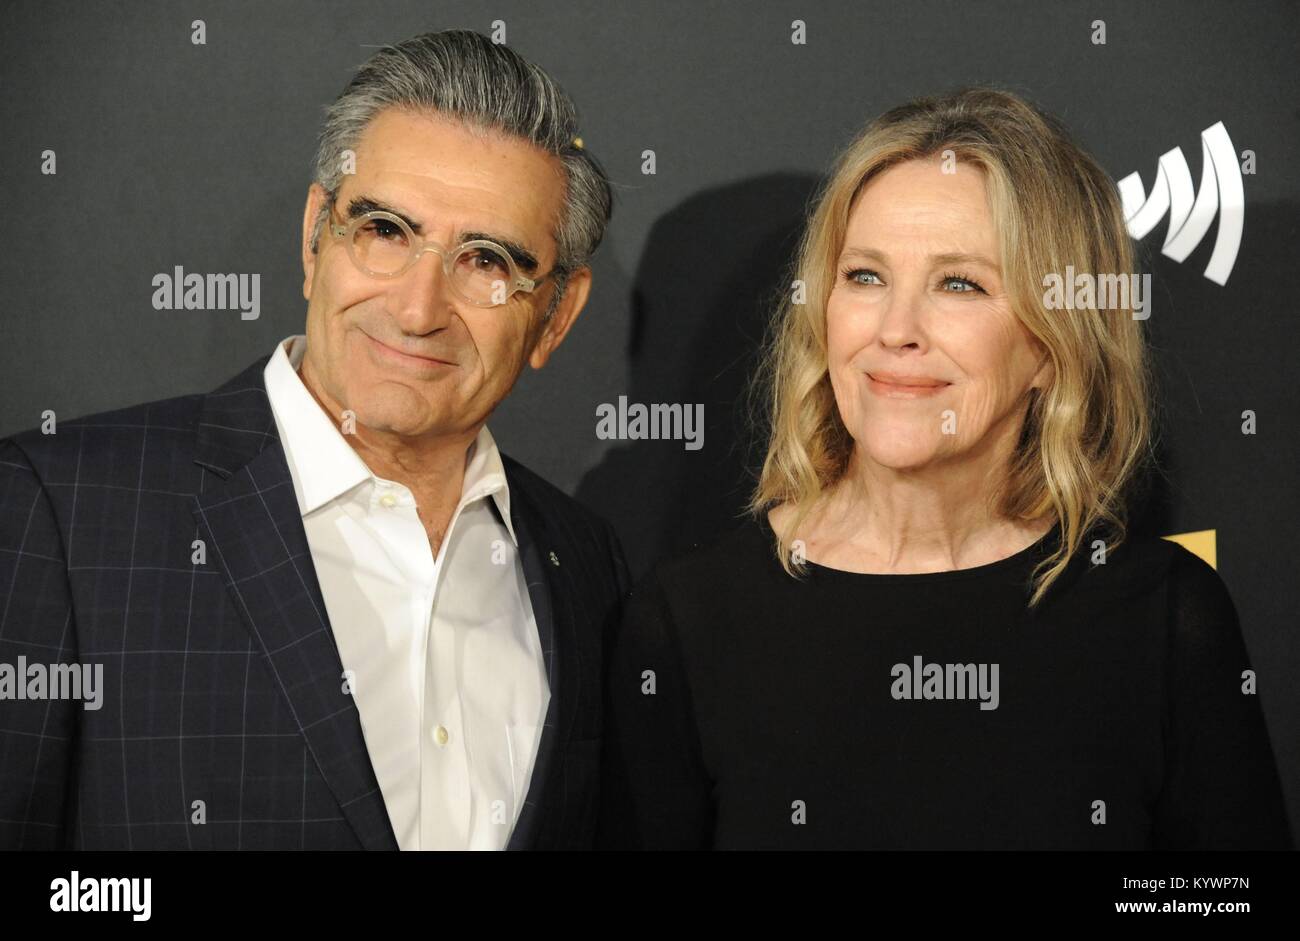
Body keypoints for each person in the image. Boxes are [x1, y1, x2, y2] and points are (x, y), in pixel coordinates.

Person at [597, 87, 1292, 850]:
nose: (897, 329)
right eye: (866, 276)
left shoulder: (1163, 617)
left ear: (1052, 343)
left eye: (960, 283)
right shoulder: (689, 618)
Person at [0, 29, 628, 850]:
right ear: (314, 237)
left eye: (486, 261)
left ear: (556, 315)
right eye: (386, 230)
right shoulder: (63, 513)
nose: (418, 308)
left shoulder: (586, 566)